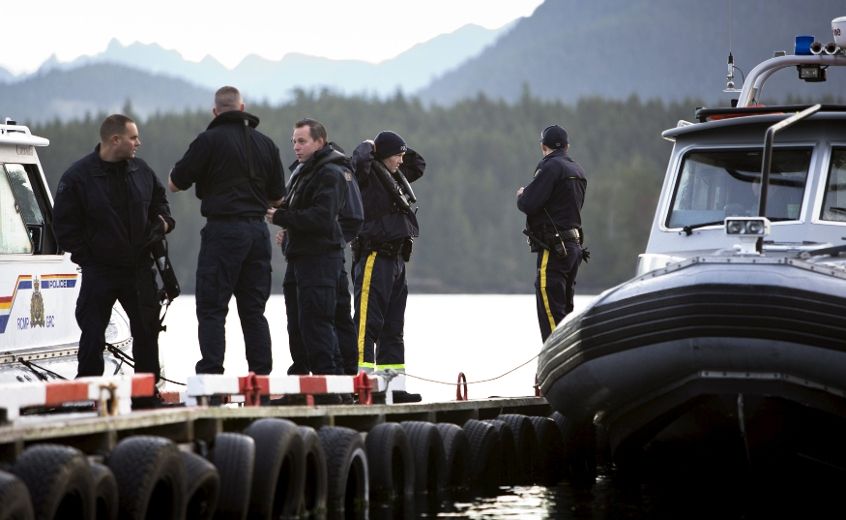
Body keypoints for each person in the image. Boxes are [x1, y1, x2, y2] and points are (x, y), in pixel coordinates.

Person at [53, 114, 175, 389]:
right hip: (100, 271)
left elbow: (161, 203)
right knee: (93, 333)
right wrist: (89, 256)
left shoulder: (141, 171)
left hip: (139, 268)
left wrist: (163, 223)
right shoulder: (78, 177)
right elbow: (63, 226)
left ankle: (147, 393)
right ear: (115, 140)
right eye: (133, 138)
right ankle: (87, 392)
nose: (138, 143)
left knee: (147, 331)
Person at [168, 86, 284, 376]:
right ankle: (260, 380)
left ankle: (211, 378)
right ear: (242, 108)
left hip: (223, 231)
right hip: (258, 233)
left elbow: (175, 183)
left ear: (215, 111)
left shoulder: (207, 141)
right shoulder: (266, 144)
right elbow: (278, 198)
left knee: (212, 308)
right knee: (254, 311)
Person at [267, 118, 356, 379]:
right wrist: (287, 226)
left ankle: (331, 385)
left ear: (319, 142)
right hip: (300, 258)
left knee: (318, 323)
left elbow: (321, 217)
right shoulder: (304, 172)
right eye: (293, 141)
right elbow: (302, 211)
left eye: (302, 141)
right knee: (299, 323)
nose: (296, 146)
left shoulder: (330, 173)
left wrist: (281, 218)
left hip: (320, 260)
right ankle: (305, 381)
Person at [351, 131, 426, 403]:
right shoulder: (367, 176)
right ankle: (361, 387)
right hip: (375, 257)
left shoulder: (396, 174)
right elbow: (357, 161)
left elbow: (419, 164)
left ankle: (393, 389)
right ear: (382, 155)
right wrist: (369, 144)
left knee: (393, 328)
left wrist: (398, 146)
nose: (401, 160)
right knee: (366, 325)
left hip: (396, 261)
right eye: (396, 155)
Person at [517, 124, 587, 342]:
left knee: (550, 313)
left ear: (543, 147)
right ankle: (572, 357)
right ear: (567, 146)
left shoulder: (550, 167)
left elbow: (528, 204)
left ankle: (556, 359)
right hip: (573, 249)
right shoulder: (578, 170)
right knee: (566, 313)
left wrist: (521, 194)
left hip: (554, 250)